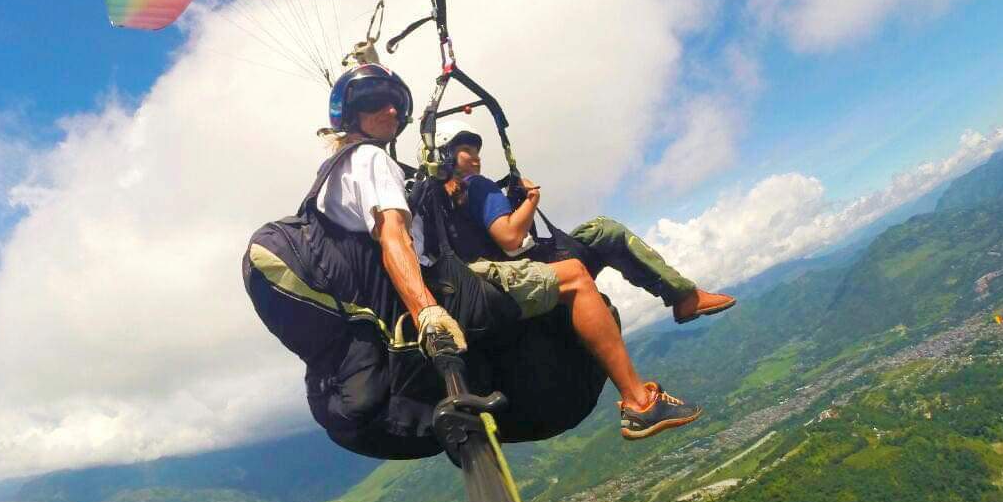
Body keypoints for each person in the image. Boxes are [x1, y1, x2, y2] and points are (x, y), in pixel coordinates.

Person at [247, 63, 701, 445]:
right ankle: (640, 402)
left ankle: (680, 305)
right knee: (576, 276)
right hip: (441, 290)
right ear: (349, 113)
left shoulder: (332, 176)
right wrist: (427, 313)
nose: (387, 110)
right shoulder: (369, 160)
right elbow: (393, 237)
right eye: (372, 102)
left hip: (409, 297)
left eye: (393, 103)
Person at [428, 119, 736, 326]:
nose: (476, 158)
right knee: (606, 231)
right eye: (467, 151)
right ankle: (683, 296)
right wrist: (531, 200)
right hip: (528, 264)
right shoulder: (478, 186)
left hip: (505, 269)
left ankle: (683, 296)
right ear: (447, 156)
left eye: (476, 151)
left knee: (599, 232)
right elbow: (509, 237)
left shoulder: (449, 201)